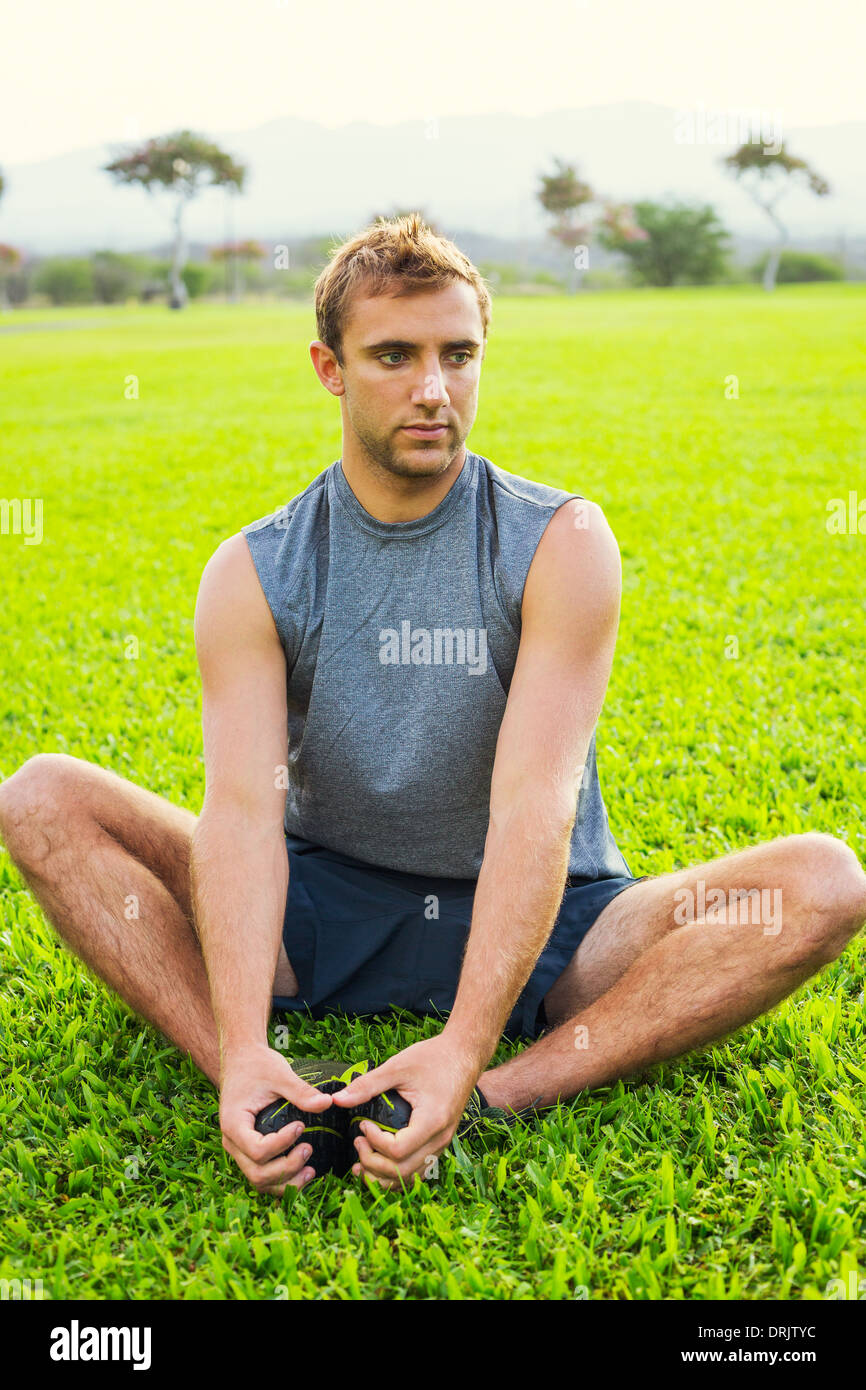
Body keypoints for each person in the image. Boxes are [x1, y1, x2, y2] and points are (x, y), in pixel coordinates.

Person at [2, 214, 865, 1197]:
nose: (431, 389)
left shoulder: (558, 541)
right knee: (42, 798)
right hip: (316, 913)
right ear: (329, 369)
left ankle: (498, 1093)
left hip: (557, 928)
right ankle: (261, 1087)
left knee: (821, 882)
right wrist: (240, 1042)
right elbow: (240, 817)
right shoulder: (254, 570)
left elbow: (533, 800)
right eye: (393, 355)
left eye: (458, 355)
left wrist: (463, 1052)